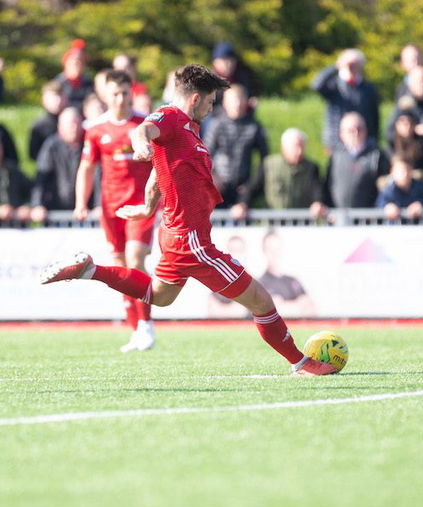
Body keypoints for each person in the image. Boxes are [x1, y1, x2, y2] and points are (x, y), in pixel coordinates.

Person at [40, 63, 337, 376]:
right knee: (261, 301)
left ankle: (90, 270)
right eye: (210, 102)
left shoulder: (188, 129)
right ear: (195, 99)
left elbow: (159, 171)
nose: (211, 109)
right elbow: (142, 131)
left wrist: (147, 206)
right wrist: (141, 145)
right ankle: (301, 362)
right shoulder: (170, 116)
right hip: (191, 241)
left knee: (159, 296)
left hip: (176, 234)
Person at [74, 70, 156, 352]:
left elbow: (161, 163)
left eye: (124, 93)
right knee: (120, 267)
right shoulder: (96, 129)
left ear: (131, 93)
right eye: (115, 94)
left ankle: (146, 324)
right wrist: (81, 203)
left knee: (135, 259)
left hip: (141, 206)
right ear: (105, 96)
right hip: (111, 209)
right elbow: (87, 167)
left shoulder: (144, 125)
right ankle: (134, 328)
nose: (120, 99)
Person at [203, 83, 267, 220]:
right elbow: (205, 156)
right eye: (233, 100)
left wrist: (250, 187)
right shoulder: (216, 125)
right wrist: (214, 178)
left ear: (246, 102)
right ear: (225, 103)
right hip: (218, 187)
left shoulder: (254, 127)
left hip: (243, 190)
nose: (237, 104)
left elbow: (265, 161)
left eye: (240, 99)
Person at [310, 112, 388, 221]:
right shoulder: (335, 157)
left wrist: (375, 210)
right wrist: (323, 206)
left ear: (365, 131)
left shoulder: (377, 156)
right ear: (342, 134)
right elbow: (327, 185)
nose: (356, 133)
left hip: (367, 221)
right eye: (351, 130)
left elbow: (384, 188)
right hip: (339, 221)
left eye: (359, 129)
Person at [311, 48, 380, 149]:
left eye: (354, 64)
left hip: (362, 140)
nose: (350, 67)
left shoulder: (368, 89)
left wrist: (373, 139)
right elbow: (316, 84)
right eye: (348, 64)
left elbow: (374, 116)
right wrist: (336, 66)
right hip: (336, 141)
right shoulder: (335, 85)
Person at [30, 106, 87, 220]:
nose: (74, 128)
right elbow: (42, 176)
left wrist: (98, 205)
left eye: (77, 123)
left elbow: (97, 176)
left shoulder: (89, 144)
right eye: (70, 124)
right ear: (60, 127)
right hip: (55, 208)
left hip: (86, 210)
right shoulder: (51, 146)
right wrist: (37, 205)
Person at [258, 231, 316, 317]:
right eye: (270, 250)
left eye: (277, 249)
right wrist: (299, 304)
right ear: (264, 251)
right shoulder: (260, 284)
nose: (275, 253)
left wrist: (284, 305)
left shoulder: (293, 281)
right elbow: (274, 312)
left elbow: (312, 309)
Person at [263, 128, 321, 210]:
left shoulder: (312, 167)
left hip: (301, 217)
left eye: (302, 147)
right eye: (295, 146)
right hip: (274, 217)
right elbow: (253, 188)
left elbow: (317, 190)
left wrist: (318, 203)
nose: (299, 152)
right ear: (283, 147)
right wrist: (244, 203)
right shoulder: (269, 165)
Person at [377, 156, 423, 222]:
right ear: (392, 172)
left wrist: (421, 204)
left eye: (408, 170)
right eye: (401, 171)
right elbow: (379, 204)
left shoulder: (420, 188)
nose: (405, 174)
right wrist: (387, 207)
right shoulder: (387, 191)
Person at [28, 80, 67, 162]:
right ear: (43, 100)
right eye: (53, 97)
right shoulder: (39, 127)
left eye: (60, 95)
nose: (58, 100)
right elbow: (33, 154)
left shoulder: (74, 122)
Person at [55, 39, 94, 108]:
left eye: (81, 61)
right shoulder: (59, 82)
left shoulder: (88, 82)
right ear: (66, 63)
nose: (78, 64)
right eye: (74, 61)